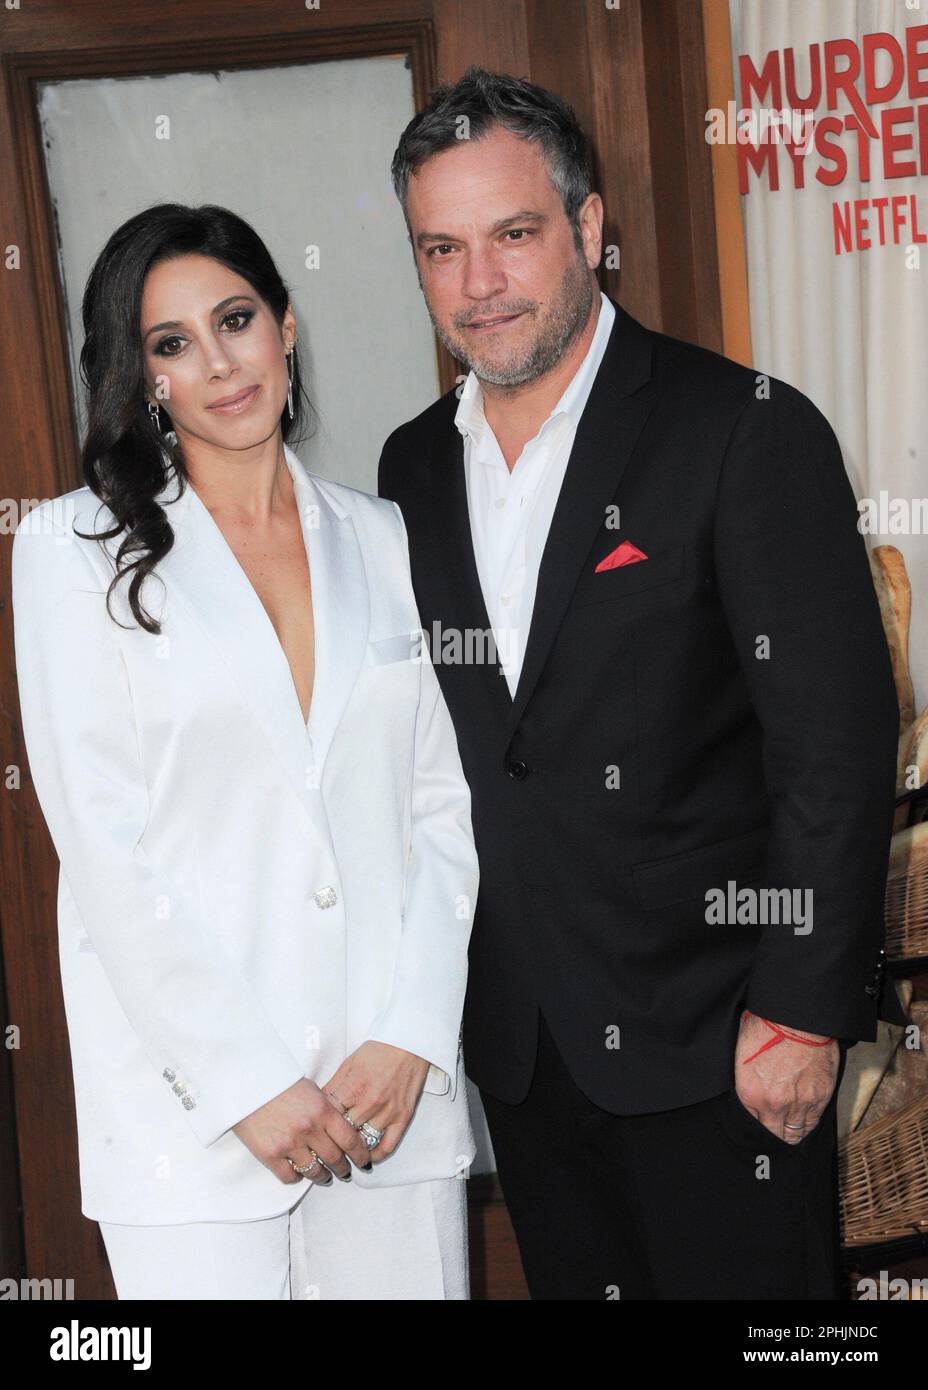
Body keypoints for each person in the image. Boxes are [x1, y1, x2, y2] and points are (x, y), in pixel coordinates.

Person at [377, 68, 906, 1300]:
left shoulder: (741, 428)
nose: (479, 283)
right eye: (441, 248)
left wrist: (801, 1009)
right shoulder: (408, 468)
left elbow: (834, 739)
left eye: (512, 235)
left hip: (723, 1036)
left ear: (590, 229)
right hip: (522, 1044)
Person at [12, 203, 478, 1301]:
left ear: (286, 325)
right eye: (171, 344)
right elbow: (106, 850)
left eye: (236, 319)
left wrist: (412, 1030)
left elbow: (441, 805)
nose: (218, 363)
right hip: (196, 1130)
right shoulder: (70, 554)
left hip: (386, 1107)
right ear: (142, 378)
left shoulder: (387, 535)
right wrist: (247, 1083)